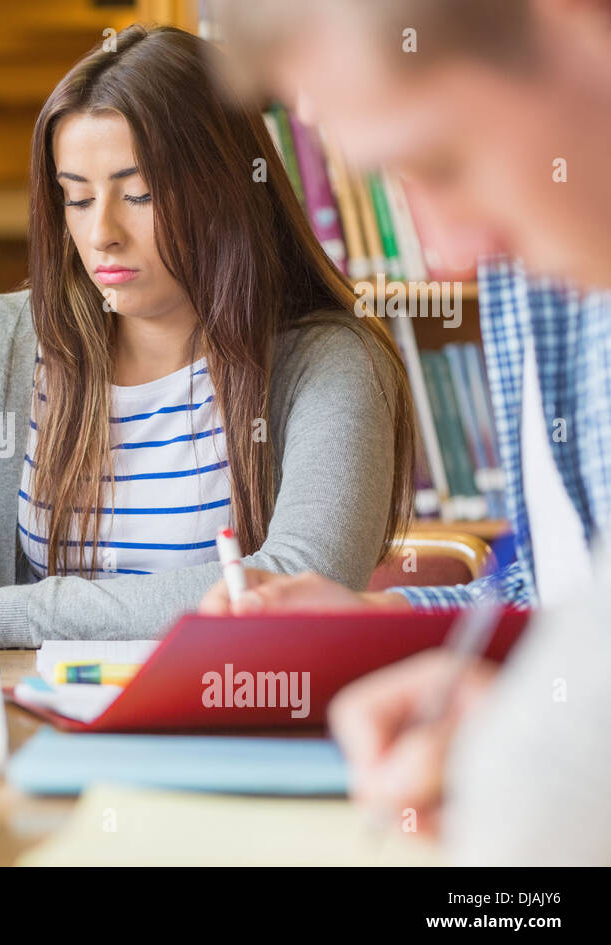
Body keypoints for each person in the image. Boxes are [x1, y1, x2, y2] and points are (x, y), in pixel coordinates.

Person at [0, 24, 416, 660]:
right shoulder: (0, 342)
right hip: (37, 728)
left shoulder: (335, 362)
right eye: (77, 198)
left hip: (239, 723)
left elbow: (301, 582)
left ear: (228, 187)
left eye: (139, 193)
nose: (102, 234)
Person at [214, 0, 611, 863]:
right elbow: (566, 585)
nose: (446, 258)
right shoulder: (546, 243)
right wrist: (387, 617)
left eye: (438, 161)